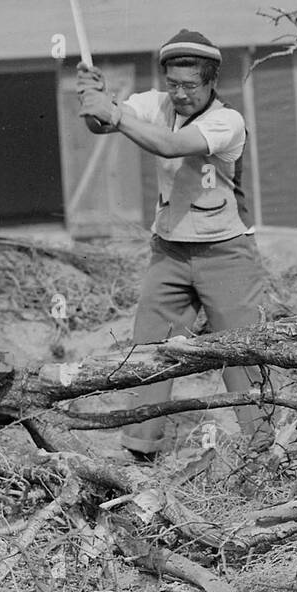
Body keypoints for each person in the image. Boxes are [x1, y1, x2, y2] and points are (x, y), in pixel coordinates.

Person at [76, 29, 273, 462]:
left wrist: (112, 111)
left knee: (241, 355)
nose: (180, 94)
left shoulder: (227, 120)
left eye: (190, 86)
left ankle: (262, 453)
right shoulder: (154, 104)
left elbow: (168, 146)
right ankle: (141, 452)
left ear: (211, 83)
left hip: (227, 253)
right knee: (149, 354)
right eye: (173, 84)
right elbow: (103, 123)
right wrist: (93, 102)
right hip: (169, 251)